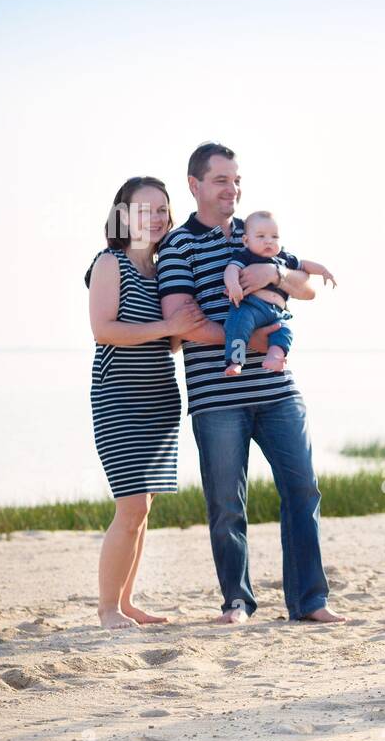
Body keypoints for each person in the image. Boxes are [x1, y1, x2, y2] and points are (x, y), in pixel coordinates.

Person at [156, 142, 344, 624]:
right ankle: (237, 602)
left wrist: (273, 270)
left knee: (303, 491)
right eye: (221, 180)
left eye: (236, 180)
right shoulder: (177, 246)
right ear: (195, 185)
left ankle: (309, 602)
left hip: (278, 392)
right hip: (217, 395)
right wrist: (257, 344)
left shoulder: (256, 230)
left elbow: (307, 289)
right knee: (226, 504)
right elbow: (182, 322)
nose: (232, 189)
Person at [86, 176, 205, 630]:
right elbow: (105, 331)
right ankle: (107, 609)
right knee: (130, 506)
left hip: (160, 399)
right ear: (123, 216)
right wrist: (168, 325)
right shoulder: (109, 264)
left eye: (162, 210)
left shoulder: (163, 270)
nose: (155, 219)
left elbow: (168, 344)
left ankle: (127, 602)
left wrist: (181, 326)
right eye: (144, 210)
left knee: (143, 508)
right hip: (118, 398)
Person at [222, 210, 337, 376]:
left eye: (274, 237)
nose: (268, 241)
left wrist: (323, 270)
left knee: (284, 332)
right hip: (252, 307)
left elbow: (304, 265)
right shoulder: (246, 255)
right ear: (246, 241)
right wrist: (233, 285)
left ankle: (275, 358)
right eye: (261, 237)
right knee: (238, 324)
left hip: (277, 313)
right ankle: (235, 361)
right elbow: (231, 269)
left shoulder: (284, 257)